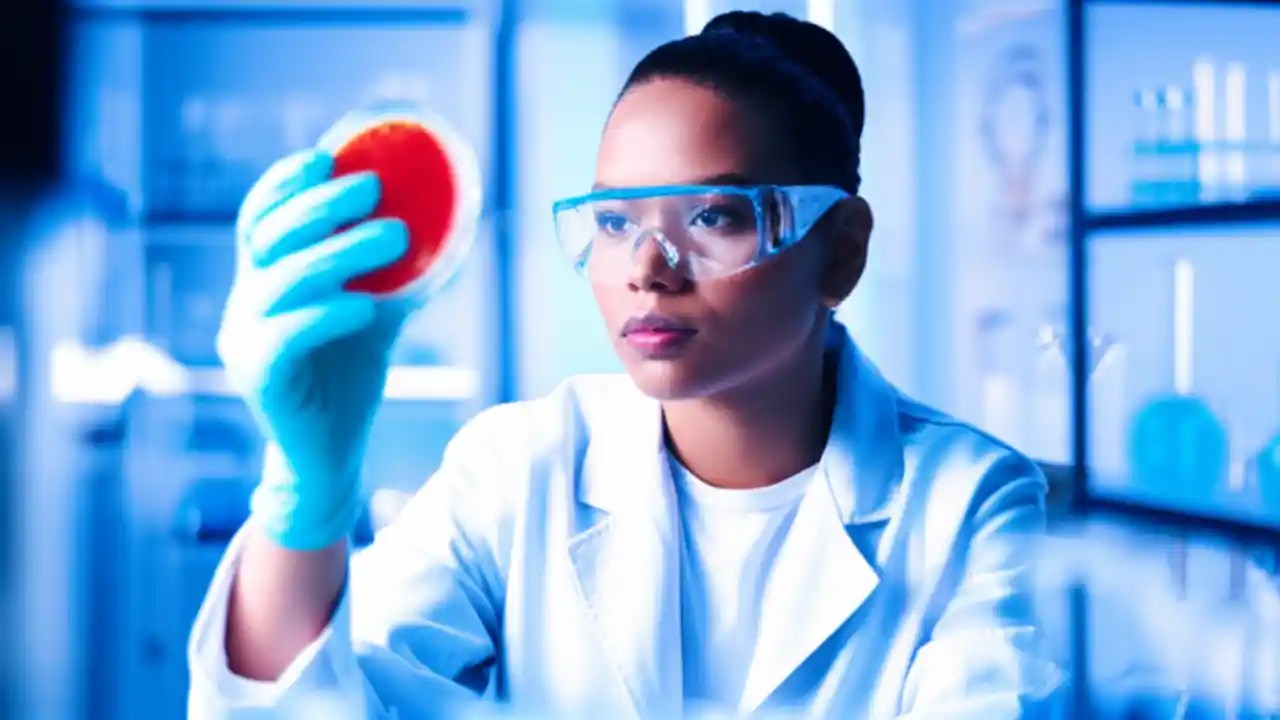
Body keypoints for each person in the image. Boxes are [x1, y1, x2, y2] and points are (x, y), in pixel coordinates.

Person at [189, 10, 1061, 719]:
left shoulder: (970, 502)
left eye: (713, 216)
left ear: (839, 254)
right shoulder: (519, 467)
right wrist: (306, 489)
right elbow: (301, 702)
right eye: (614, 220)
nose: (646, 266)